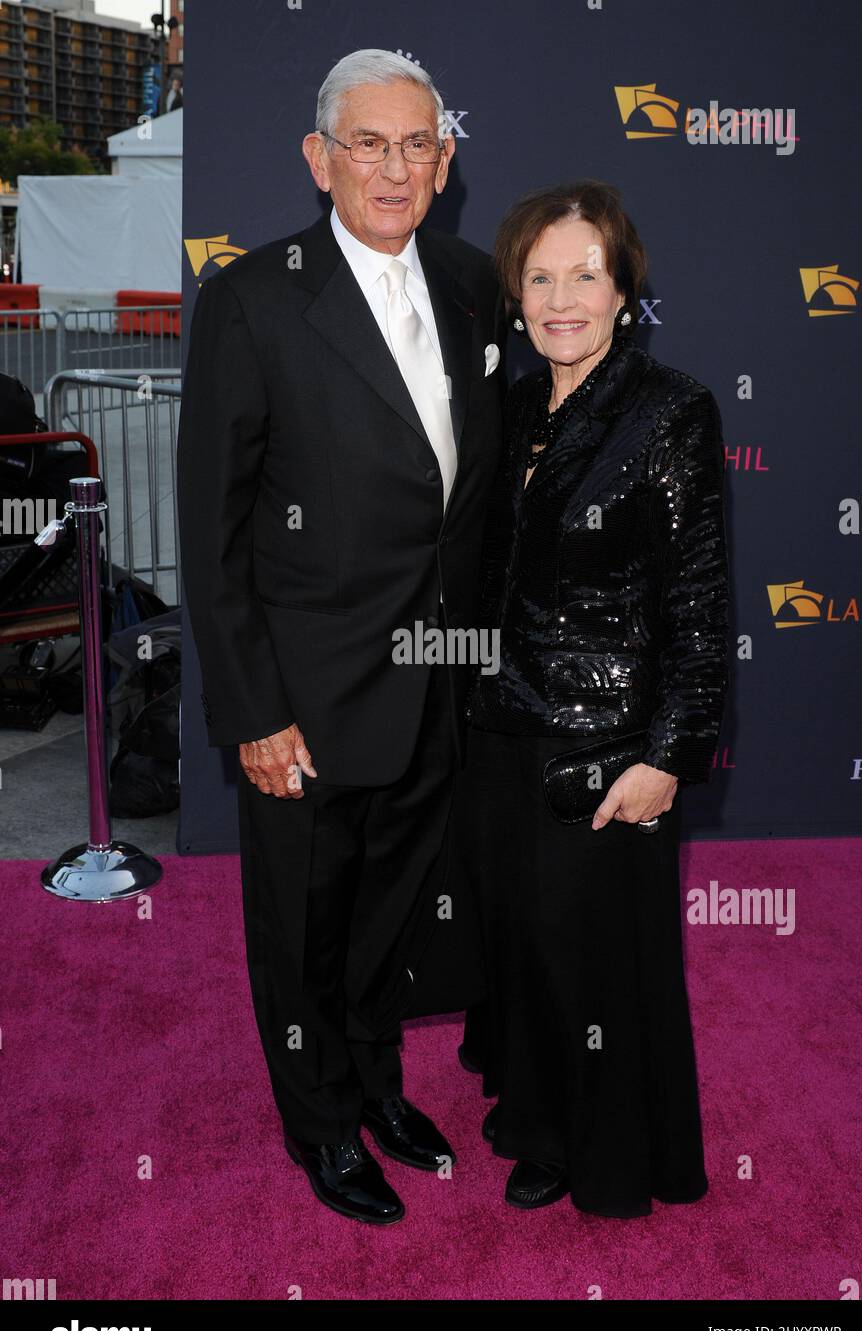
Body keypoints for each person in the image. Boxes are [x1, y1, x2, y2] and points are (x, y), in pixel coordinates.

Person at [176, 49, 506, 1225]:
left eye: (417, 142)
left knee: (390, 918)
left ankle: (375, 1086)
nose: (394, 166)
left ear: (447, 161)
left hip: (435, 688)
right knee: (304, 927)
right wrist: (255, 708)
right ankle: (320, 1125)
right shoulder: (257, 297)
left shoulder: (474, 284)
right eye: (368, 142)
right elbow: (211, 531)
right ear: (320, 159)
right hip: (305, 703)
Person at [456, 180, 729, 1216]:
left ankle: (602, 1151)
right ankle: (538, 1119)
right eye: (539, 276)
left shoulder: (670, 410)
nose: (560, 298)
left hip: (608, 748)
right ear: (515, 292)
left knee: (599, 969)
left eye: (584, 275)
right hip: (502, 735)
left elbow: (698, 603)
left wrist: (668, 754)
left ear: (624, 292)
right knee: (522, 947)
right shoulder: (516, 404)